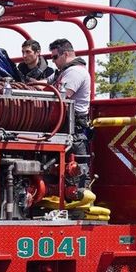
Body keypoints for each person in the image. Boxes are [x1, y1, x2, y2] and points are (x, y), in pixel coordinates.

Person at [50, 38, 93, 196]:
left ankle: (80, 200)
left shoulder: (75, 72)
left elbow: (63, 96)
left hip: (74, 128)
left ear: (65, 54)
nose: (53, 61)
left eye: (55, 57)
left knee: (77, 168)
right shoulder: (64, 72)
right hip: (66, 126)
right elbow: (46, 84)